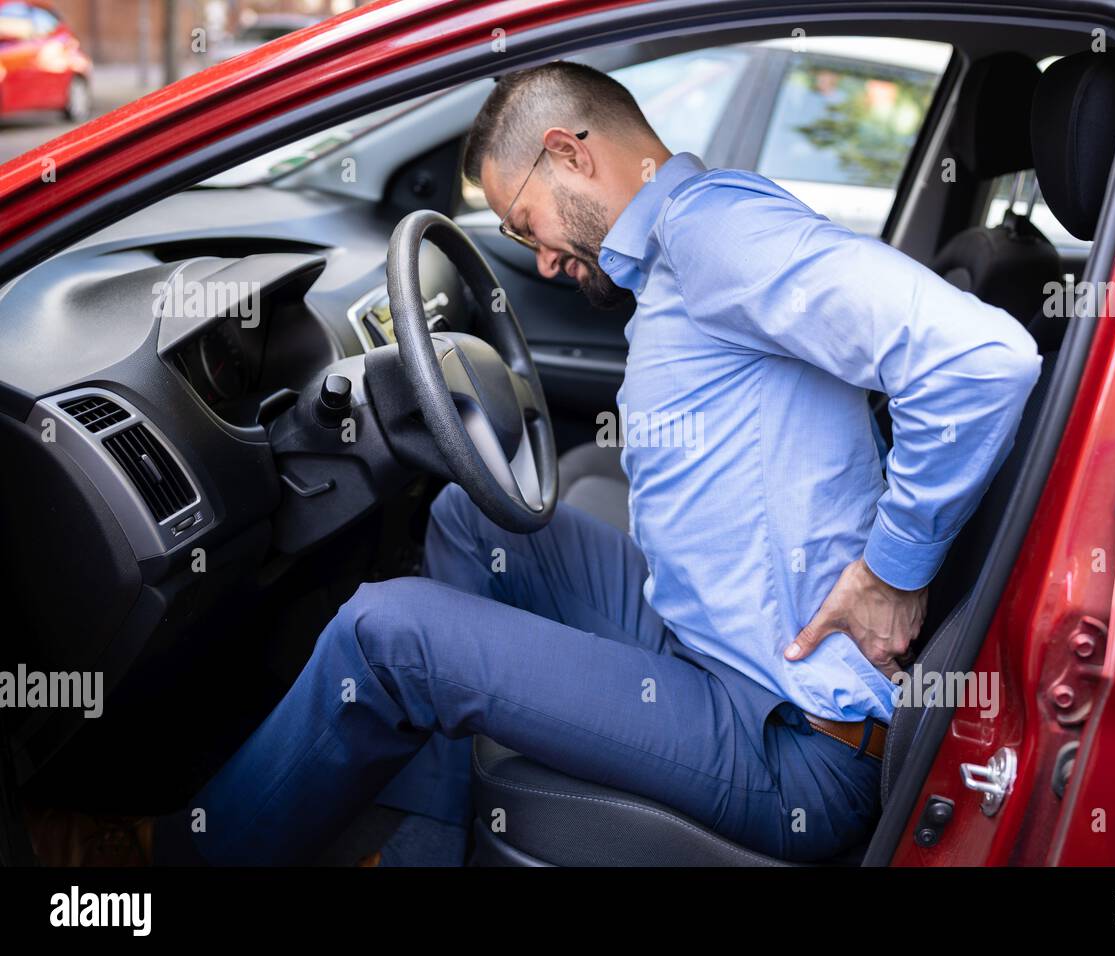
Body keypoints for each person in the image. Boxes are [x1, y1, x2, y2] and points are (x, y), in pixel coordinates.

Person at [130, 60, 1037, 865]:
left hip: (792, 738)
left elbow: (981, 361)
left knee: (388, 634)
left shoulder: (717, 235)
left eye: (526, 226)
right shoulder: (698, 234)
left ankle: (168, 865)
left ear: (568, 152)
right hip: (714, 644)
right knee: (468, 516)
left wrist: (891, 569)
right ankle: (424, 841)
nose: (544, 261)